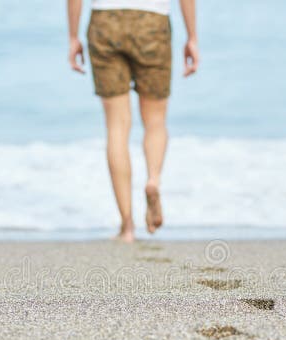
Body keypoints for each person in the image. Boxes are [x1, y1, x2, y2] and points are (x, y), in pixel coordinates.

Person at [67, 0, 199, 242]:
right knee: (155, 121)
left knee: (117, 126)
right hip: (152, 21)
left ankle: (127, 226)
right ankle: (153, 180)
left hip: (104, 21)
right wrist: (192, 37)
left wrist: (73, 36)